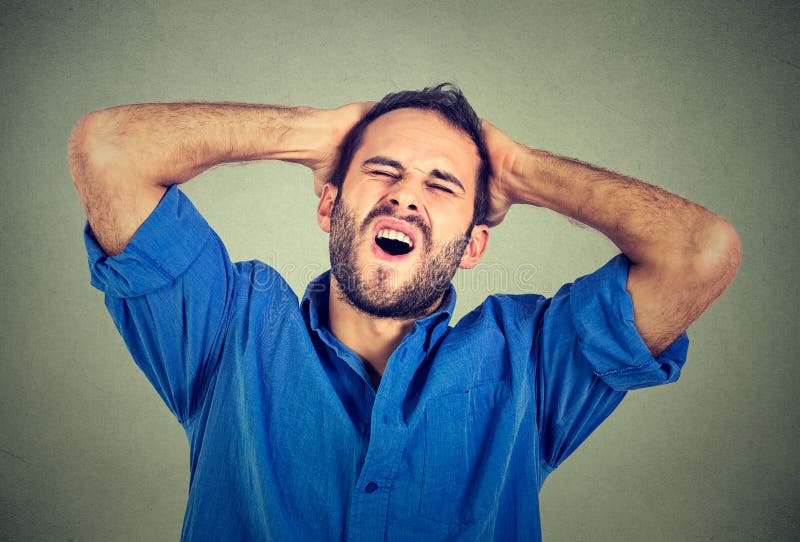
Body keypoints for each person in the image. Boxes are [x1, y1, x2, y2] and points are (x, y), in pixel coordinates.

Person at [68, 84, 741, 541]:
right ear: (330, 205)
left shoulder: (531, 362)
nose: (404, 197)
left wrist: (517, 166)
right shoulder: (228, 329)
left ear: (476, 243)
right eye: (382, 170)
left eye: (441, 183)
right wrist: (317, 131)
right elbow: (109, 151)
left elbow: (700, 253)